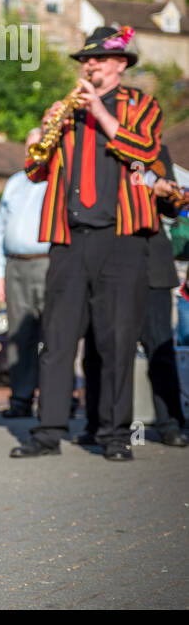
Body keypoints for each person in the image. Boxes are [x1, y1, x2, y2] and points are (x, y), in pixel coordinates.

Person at [11, 26, 162, 461]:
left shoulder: (141, 106)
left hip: (122, 237)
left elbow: (145, 152)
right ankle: (48, 431)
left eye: (96, 59)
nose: (88, 65)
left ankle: (114, 435)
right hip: (69, 237)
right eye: (84, 60)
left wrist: (99, 111)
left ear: (120, 64)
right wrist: (44, 136)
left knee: (115, 340)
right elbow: (36, 172)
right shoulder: (63, 110)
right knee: (56, 339)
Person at [79, 145, 186, 448]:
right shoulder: (93, 146)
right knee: (99, 348)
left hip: (150, 259)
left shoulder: (155, 150)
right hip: (104, 258)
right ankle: (97, 422)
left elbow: (170, 209)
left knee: (159, 345)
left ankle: (169, 422)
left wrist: (166, 193)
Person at [0, 127, 51, 419]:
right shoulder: (15, 182)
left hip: (48, 262)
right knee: (19, 335)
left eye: (38, 145)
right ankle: (21, 398)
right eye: (29, 146)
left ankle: (56, 398)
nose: (32, 151)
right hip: (16, 264)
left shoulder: (57, 181)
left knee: (54, 334)